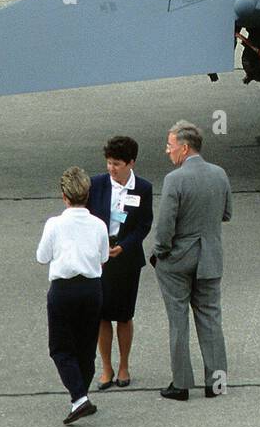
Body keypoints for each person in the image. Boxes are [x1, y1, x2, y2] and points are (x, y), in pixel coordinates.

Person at [152, 121, 232, 401]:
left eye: (170, 146)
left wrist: (160, 252)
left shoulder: (174, 180)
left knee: (178, 320)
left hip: (178, 260)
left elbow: (165, 227)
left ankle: (182, 383)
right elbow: (226, 214)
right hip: (210, 256)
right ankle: (216, 381)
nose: (167, 151)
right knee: (210, 317)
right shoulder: (219, 174)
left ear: (184, 148)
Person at [36, 167, 109, 426]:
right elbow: (103, 257)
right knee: (86, 347)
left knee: (59, 347)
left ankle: (78, 397)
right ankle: (80, 396)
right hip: (91, 289)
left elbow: (42, 257)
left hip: (63, 290)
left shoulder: (55, 224)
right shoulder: (99, 224)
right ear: (87, 195)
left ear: (64, 197)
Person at [87, 136, 153, 391]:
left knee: (123, 316)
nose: (111, 168)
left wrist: (124, 246)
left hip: (126, 257)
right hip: (100, 257)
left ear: (131, 163)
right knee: (102, 315)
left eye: (117, 164)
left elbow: (144, 224)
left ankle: (124, 365)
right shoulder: (97, 184)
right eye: (109, 163)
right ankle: (106, 367)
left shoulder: (143, 188)